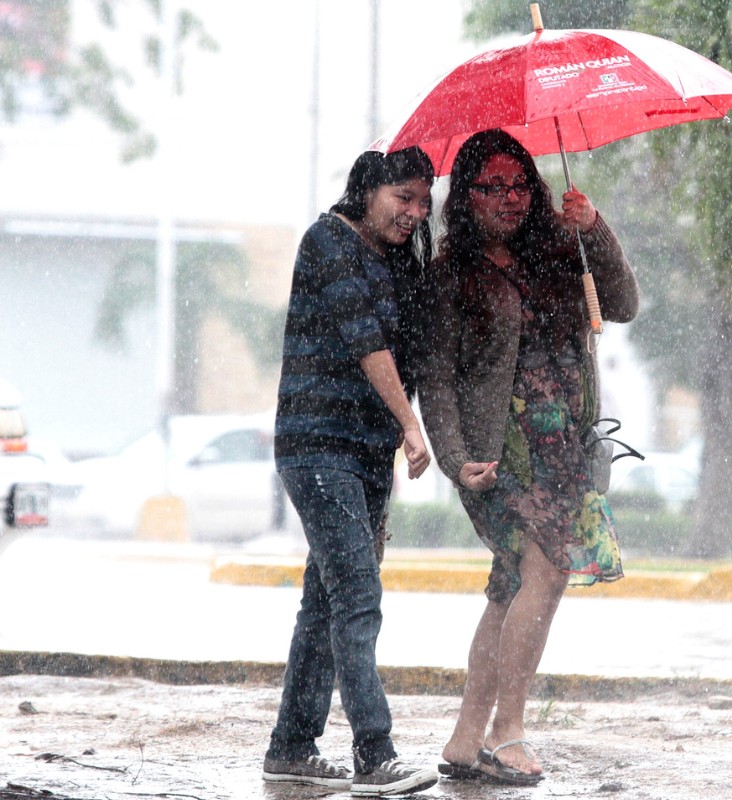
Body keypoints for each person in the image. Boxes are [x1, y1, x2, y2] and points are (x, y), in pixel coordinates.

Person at [420, 129, 639, 785]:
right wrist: (455, 458)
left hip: (564, 446)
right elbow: (435, 377)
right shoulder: (450, 275)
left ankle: (467, 736)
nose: (510, 199)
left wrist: (593, 229)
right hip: (498, 452)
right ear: (466, 196)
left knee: (512, 584)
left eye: (520, 185)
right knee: (546, 570)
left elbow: (623, 304)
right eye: (492, 186)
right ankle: (507, 731)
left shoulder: (558, 253)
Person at [262, 147, 439, 796]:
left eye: (425, 202)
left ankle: (291, 747)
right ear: (368, 191)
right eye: (404, 198)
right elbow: (367, 342)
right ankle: (376, 754)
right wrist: (412, 427)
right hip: (316, 448)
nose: (416, 213)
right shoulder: (328, 242)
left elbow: (417, 351)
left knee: (324, 603)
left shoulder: (399, 264)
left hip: (365, 458)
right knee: (358, 599)